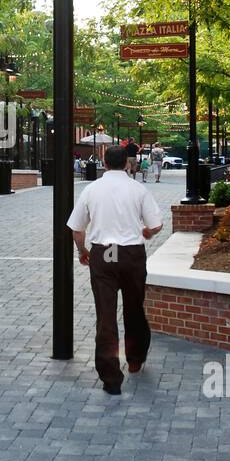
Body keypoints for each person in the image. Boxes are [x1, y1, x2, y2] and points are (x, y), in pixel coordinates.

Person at [66, 145, 165, 395]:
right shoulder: (138, 189)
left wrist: (82, 251)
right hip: (131, 254)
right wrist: (146, 232)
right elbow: (157, 224)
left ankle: (111, 378)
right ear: (127, 164)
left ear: (105, 163)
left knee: (106, 315)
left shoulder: (91, 189)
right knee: (134, 308)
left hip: (104, 252)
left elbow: (77, 228)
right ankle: (135, 358)